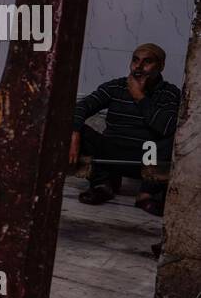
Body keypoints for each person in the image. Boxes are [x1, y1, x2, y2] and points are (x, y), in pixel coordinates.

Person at [69, 43, 179, 215]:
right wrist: (74, 133)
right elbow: (82, 106)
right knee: (75, 128)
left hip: (146, 155)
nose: (139, 67)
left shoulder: (169, 93)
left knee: (176, 139)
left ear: (161, 66)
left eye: (147, 62)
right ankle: (103, 185)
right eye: (135, 60)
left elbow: (167, 127)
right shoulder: (116, 87)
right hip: (111, 151)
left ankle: (146, 194)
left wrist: (139, 97)